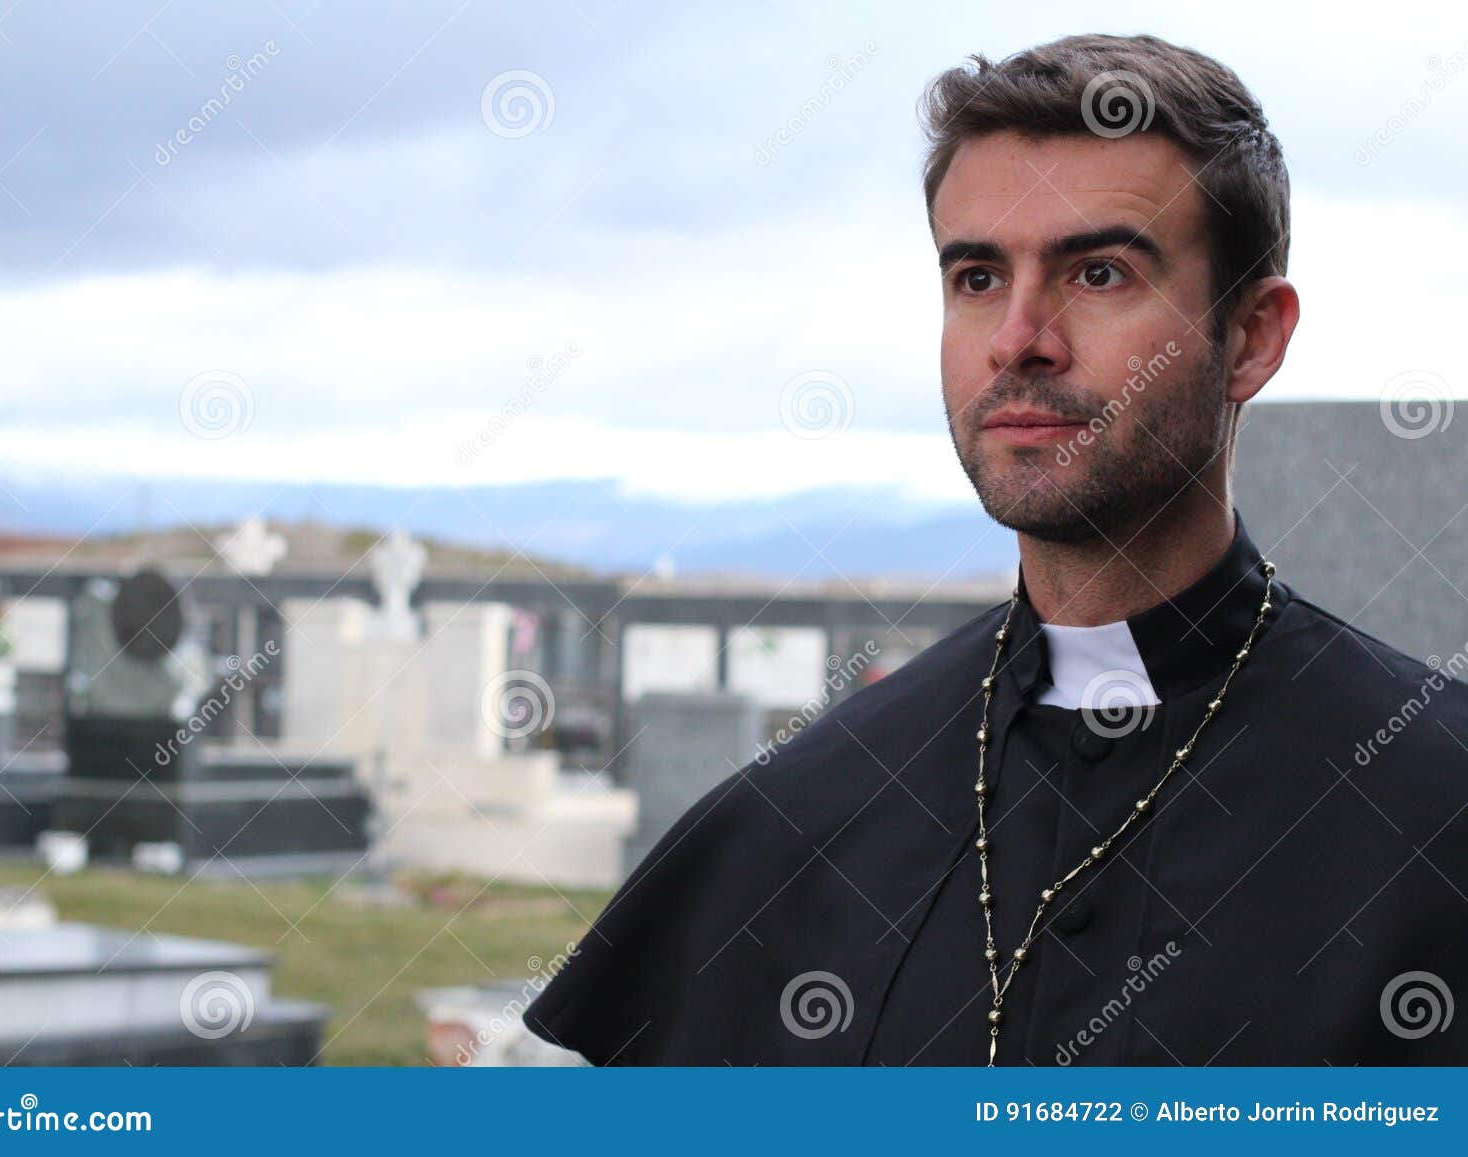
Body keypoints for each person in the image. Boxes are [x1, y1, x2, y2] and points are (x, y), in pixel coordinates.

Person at [523, 32, 1468, 1066]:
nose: (1018, 337)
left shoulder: (1435, 799)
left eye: (1097, 272)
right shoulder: (796, 815)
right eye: (977, 276)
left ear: (1249, 336)